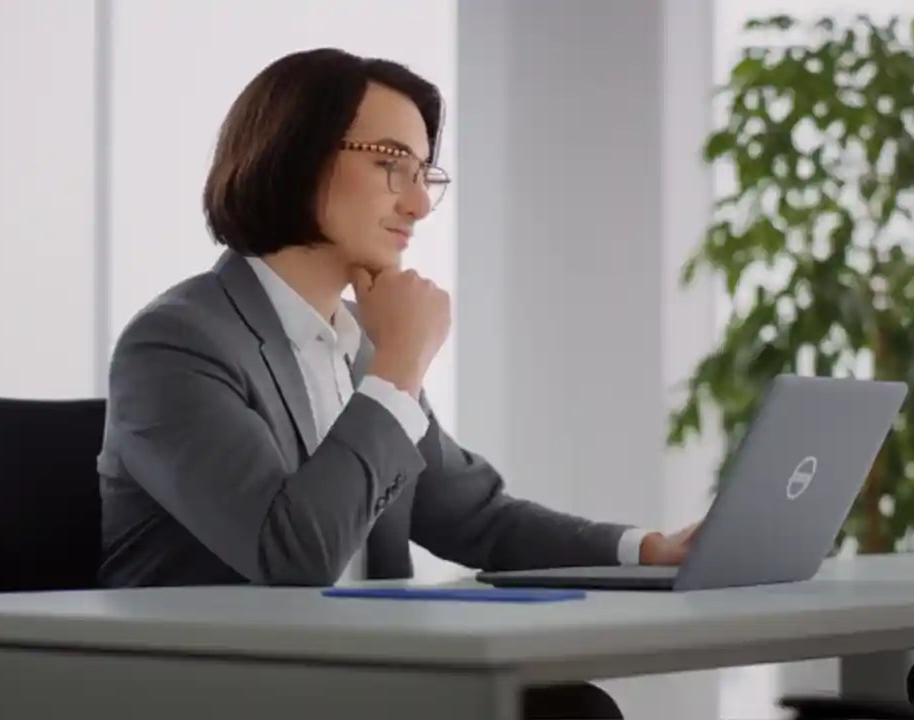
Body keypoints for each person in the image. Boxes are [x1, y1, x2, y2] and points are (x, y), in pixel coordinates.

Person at [95, 48, 698, 719]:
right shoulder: (177, 343)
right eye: (390, 163)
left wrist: (647, 550)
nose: (418, 204)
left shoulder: (361, 344)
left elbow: (476, 517)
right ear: (296, 153)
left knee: (571, 708)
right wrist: (403, 359)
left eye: (424, 174)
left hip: (358, 679)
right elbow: (290, 554)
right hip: (230, 690)